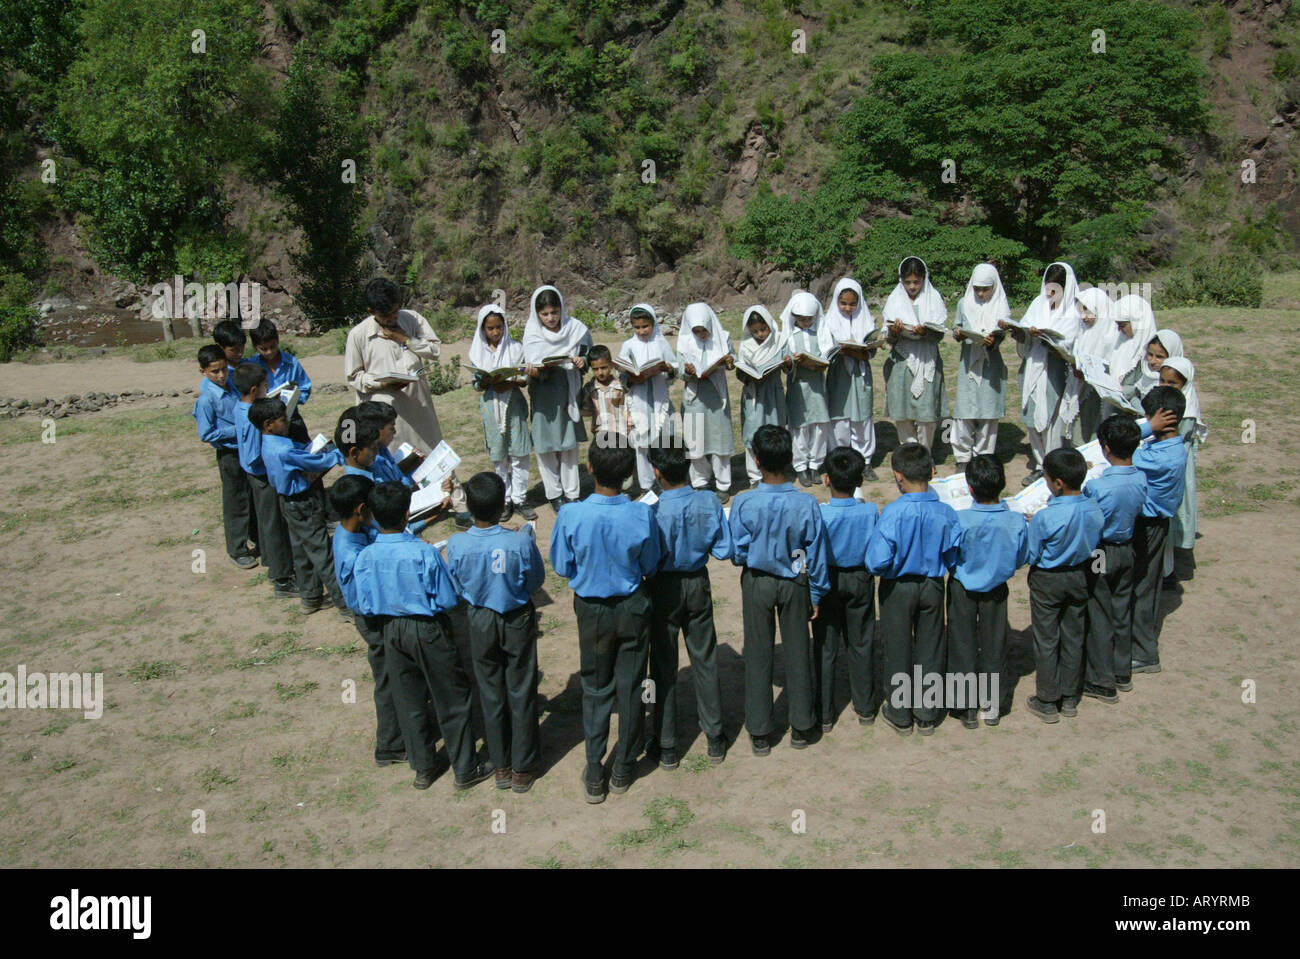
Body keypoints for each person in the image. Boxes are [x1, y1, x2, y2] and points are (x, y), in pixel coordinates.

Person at [352, 481, 492, 792]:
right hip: (427, 629)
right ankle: (466, 767)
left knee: (408, 698)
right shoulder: (423, 554)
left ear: (372, 515)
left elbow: (363, 604)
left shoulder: (366, 557)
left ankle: (424, 767)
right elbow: (446, 598)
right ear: (406, 514)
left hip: (390, 630)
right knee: (451, 696)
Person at [549, 433, 662, 803]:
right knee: (632, 687)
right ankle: (625, 767)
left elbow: (564, 566)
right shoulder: (642, 514)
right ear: (630, 472)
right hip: (632, 606)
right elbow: (650, 564)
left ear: (589, 467)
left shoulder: (570, 514)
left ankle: (595, 770)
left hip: (592, 611)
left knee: (596, 688)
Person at [729, 424, 830, 755]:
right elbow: (814, 552)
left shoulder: (744, 503)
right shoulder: (806, 504)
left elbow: (738, 550)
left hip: (758, 581)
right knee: (798, 650)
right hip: (795, 582)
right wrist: (816, 591)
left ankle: (760, 731)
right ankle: (802, 725)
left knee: (757, 653)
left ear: (756, 461)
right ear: (790, 459)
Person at [444, 473, 546, 794]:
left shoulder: (457, 544)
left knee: (490, 689)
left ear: (469, 509)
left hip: (480, 619)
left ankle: (500, 764)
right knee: (521, 688)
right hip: (515, 617)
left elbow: (456, 585)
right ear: (504, 506)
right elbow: (535, 581)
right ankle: (522, 768)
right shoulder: (519, 541)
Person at [645, 444, 733, 769]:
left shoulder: (652, 511)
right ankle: (714, 737)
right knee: (705, 659)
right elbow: (724, 549)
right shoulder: (708, 501)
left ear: (657, 472)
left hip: (662, 588)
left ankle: (666, 744)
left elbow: (646, 559)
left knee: (662, 665)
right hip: (697, 582)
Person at [866, 442, 962, 735]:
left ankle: (899, 713)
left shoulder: (893, 514)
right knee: (930, 647)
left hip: (897, 588)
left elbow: (877, 561)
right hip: (932, 585)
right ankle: (927, 713)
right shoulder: (946, 512)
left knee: (897, 648)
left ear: (898, 476)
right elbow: (953, 554)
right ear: (932, 472)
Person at [328, 474, 406, 767]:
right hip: (373, 621)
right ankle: (390, 744)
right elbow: (364, 600)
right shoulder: (352, 554)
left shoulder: (353, 532)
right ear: (362, 509)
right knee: (387, 678)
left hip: (376, 616)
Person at [1024, 447, 1104, 724]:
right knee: (1073, 634)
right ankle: (1070, 697)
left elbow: (1032, 554)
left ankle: (1047, 699)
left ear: (1057, 483)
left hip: (1048, 580)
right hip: (1080, 575)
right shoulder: (1094, 508)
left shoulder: (1046, 517)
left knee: (1046, 638)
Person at [947, 454, 1027, 727]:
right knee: (995, 645)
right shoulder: (1016, 521)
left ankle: (964, 708)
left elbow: (949, 554)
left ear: (969, 488)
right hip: (996, 588)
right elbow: (1021, 556)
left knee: (962, 643)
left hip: (962, 587)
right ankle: (992, 707)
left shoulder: (959, 519)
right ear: (1002, 484)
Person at [248, 397, 347, 616]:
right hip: (303, 502)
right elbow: (315, 462)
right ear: (268, 425)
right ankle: (345, 604)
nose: (287, 424)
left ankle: (311, 597)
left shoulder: (273, 443)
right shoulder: (283, 451)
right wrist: (337, 454)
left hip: (288, 503)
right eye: (283, 420)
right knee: (323, 553)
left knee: (302, 551)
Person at [813, 446, 880, 730]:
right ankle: (865, 707)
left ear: (826, 479)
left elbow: (813, 554)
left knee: (825, 647)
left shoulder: (820, 514)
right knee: (861, 642)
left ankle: (824, 713)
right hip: (860, 579)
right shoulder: (869, 512)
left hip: (828, 580)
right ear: (860, 481)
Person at [1082, 415, 1147, 701]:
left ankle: (1100, 679)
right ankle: (1122, 670)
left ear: (1105, 448)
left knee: (1099, 611)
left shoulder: (1098, 487)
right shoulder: (1141, 477)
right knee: (1122, 608)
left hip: (1101, 551)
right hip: (1127, 547)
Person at [344, 277, 448, 453]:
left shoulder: (412, 319)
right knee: (395, 461)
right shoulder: (358, 335)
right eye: (386, 315)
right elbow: (354, 377)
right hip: (385, 412)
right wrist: (383, 383)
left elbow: (434, 351)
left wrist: (405, 339)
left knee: (430, 458)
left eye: (395, 311)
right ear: (371, 312)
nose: (393, 317)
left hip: (418, 407)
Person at [1005, 262, 1081, 484]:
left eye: (1056, 290)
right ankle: (1040, 462)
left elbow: (1071, 343)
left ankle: (1053, 464)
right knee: (1031, 416)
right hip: (1033, 366)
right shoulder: (1039, 303)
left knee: (1051, 418)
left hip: (1056, 370)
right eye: (1048, 288)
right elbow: (1025, 331)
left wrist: (1051, 342)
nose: (1051, 294)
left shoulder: (1073, 310)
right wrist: (1022, 332)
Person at [1129, 386, 1186, 679]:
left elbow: (1122, 446)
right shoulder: (1170, 447)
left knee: (1142, 587)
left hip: (1149, 526)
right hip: (1152, 524)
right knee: (1143, 584)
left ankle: (1143, 652)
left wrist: (1143, 428)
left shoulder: (1162, 457)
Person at [523, 284, 591, 508]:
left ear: (562, 308)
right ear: (537, 314)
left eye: (554, 311)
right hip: (544, 396)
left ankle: (572, 493)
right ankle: (554, 494)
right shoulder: (532, 334)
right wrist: (533, 371)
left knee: (569, 444)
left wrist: (583, 361)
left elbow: (587, 354)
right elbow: (529, 365)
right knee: (546, 446)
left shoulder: (576, 329)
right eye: (544, 314)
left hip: (568, 392)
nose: (551, 318)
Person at [232, 362, 297, 598]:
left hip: (258, 476)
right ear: (253, 390)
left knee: (268, 524)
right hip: (261, 476)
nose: (267, 388)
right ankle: (281, 579)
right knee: (273, 526)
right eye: (264, 386)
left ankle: (276, 564)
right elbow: (252, 455)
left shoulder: (240, 408)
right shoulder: (251, 420)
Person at [467, 304, 536, 522]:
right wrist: (485, 380)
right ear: (482, 329)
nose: (495, 332)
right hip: (490, 406)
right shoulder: (477, 352)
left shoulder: (515, 348)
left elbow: (525, 377)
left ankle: (520, 498)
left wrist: (512, 380)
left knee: (519, 453)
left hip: (513, 406)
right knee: (500, 456)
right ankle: (504, 499)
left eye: (499, 327)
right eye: (490, 328)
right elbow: (475, 384)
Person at [192, 344, 257, 569]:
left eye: (223, 370)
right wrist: (236, 429)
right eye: (214, 372)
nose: (221, 376)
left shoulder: (232, 385)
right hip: (229, 453)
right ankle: (237, 549)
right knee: (235, 501)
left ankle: (255, 535)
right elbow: (206, 433)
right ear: (203, 372)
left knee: (252, 494)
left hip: (247, 448)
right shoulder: (206, 400)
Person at [881, 257, 949, 451]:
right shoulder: (895, 300)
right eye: (908, 282)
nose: (912, 287)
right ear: (901, 280)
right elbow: (889, 339)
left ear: (924, 279)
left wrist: (926, 332)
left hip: (927, 360)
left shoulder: (933, 298)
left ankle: (925, 453)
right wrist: (895, 331)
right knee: (902, 413)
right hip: (902, 362)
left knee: (926, 414)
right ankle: (909, 452)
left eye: (916, 282)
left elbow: (939, 334)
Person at [821, 277, 882, 480]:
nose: (848, 308)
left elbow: (870, 350)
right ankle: (841, 459)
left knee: (862, 419)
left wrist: (858, 351)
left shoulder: (866, 321)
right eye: (843, 303)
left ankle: (864, 461)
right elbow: (825, 349)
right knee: (840, 419)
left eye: (853, 303)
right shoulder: (828, 322)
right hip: (839, 375)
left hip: (860, 375)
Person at [617, 303, 680, 496]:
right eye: (637, 327)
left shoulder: (661, 343)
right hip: (639, 400)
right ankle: (646, 485)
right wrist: (631, 377)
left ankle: (664, 479)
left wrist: (668, 369)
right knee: (642, 445)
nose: (642, 331)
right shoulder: (628, 346)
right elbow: (622, 375)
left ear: (653, 324)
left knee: (661, 442)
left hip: (660, 401)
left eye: (645, 326)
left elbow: (675, 367)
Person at [951, 264, 1011, 465]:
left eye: (985, 289)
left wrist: (994, 340)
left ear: (994, 287)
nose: (980, 293)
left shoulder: (1001, 306)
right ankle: (962, 456)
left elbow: (1002, 335)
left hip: (990, 363)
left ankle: (984, 453)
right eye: (977, 288)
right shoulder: (963, 303)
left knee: (988, 409)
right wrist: (959, 333)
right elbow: (956, 327)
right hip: (969, 362)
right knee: (965, 409)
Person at [677, 302, 736, 503]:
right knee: (696, 440)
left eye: (704, 330)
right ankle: (700, 480)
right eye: (697, 331)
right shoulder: (684, 343)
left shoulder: (723, 337)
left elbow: (732, 360)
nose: (701, 334)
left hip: (717, 396)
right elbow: (679, 371)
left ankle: (723, 484)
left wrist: (728, 361)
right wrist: (688, 371)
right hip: (695, 398)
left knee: (720, 440)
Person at [1159, 355, 1207, 577]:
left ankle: (1168, 573)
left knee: (1171, 518)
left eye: (1172, 383)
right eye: (1162, 381)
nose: (1166, 387)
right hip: (1166, 466)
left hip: (1176, 471)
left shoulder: (1185, 412)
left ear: (1185, 384)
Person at [736, 305, 790, 488]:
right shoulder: (745, 347)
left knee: (775, 431)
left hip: (773, 394)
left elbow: (788, 365)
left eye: (763, 329)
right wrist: (747, 375)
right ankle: (754, 476)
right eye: (755, 331)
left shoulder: (780, 341)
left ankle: (776, 470)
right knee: (753, 434)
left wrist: (788, 363)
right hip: (754, 396)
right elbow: (740, 372)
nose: (760, 334)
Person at [781, 290, 832, 487]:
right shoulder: (788, 336)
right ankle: (801, 466)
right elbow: (784, 363)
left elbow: (828, 354)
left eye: (809, 319)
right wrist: (792, 361)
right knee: (800, 428)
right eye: (801, 319)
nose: (805, 323)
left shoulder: (820, 333)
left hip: (818, 387)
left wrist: (819, 363)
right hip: (798, 387)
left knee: (819, 427)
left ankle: (815, 465)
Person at [1066, 286, 1119, 444]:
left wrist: (1090, 373)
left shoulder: (1111, 333)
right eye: (1081, 312)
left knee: (1095, 431)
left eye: (1088, 312)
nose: (1084, 317)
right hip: (1080, 386)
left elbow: (1110, 365)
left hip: (1099, 394)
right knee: (1080, 431)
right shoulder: (1083, 330)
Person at [250, 318, 312, 443]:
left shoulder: (292, 363)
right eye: (264, 349)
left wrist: (291, 398)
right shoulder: (252, 366)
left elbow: (305, 388)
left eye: (273, 346)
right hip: (267, 424)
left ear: (278, 340)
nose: (269, 352)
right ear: (256, 347)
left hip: (291, 418)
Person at [1108, 293, 1157, 415]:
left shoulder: (1152, 351)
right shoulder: (1121, 343)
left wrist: (1128, 391)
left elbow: (1148, 387)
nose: (1119, 330)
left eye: (1123, 325)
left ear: (1137, 321)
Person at [578, 346, 628, 442]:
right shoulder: (590, 388)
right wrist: (573, 411)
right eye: (595, 369)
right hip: (601, 437)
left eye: (603, 367)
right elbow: (588, 411)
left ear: (611, 365)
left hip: (621, 435)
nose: (600, 372)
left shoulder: (621, 385)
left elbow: (628, 406)